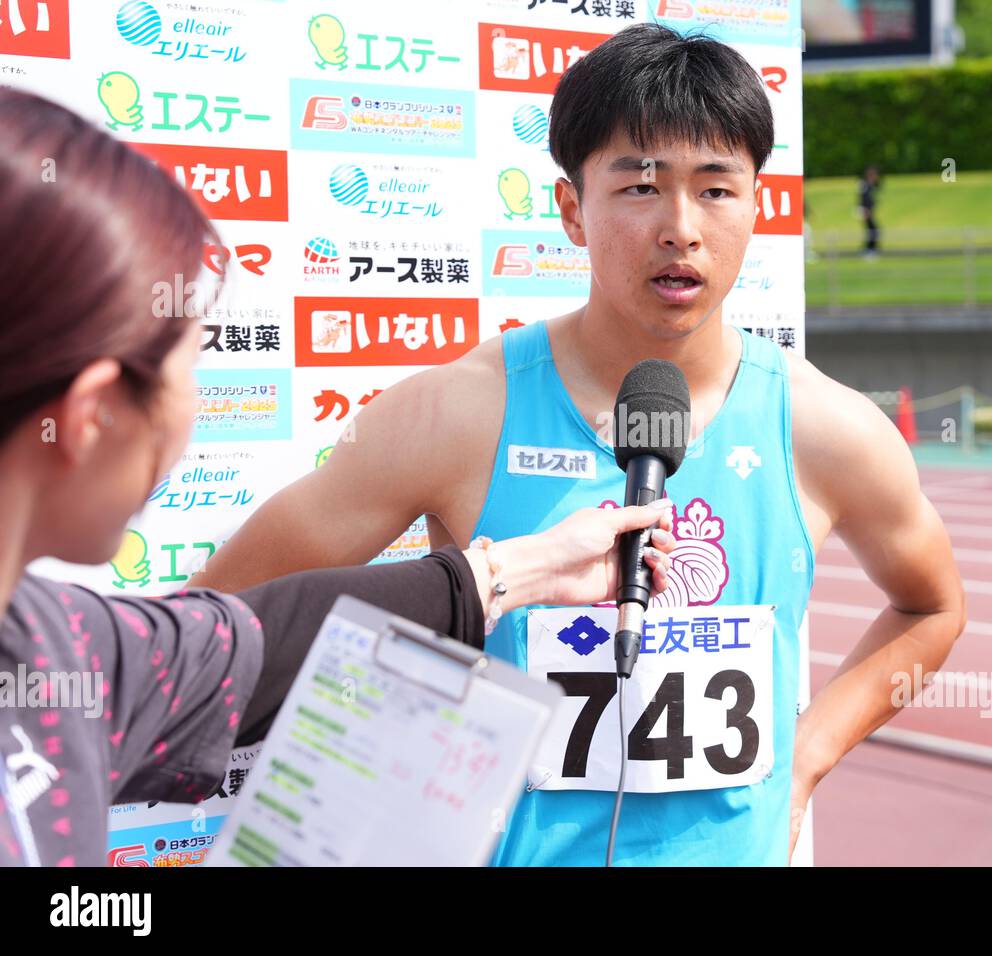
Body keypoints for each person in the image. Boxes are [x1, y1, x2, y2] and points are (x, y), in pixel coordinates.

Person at [193, 23, 966, 866]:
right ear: (571, 209)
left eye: (715, 189)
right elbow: (208, 626)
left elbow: (931, 606)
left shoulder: (825, 426)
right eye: (640, 188)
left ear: (757, 204)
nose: (681, 228)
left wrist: (806, 759)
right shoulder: (460, 414)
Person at [0, 87, 678, 867]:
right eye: (193, 370)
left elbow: (248, 646)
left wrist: (514, 569)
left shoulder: (60, 646)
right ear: (92, 417)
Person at [857, 164, 881, 258]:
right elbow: (863, 198)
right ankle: (870, 250)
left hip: (868, 210)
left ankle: (870, 249)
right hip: (865, 210)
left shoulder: (870, 185)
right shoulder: (864, 184)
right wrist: (866, 210)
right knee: (872, 229)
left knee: (872, 229)